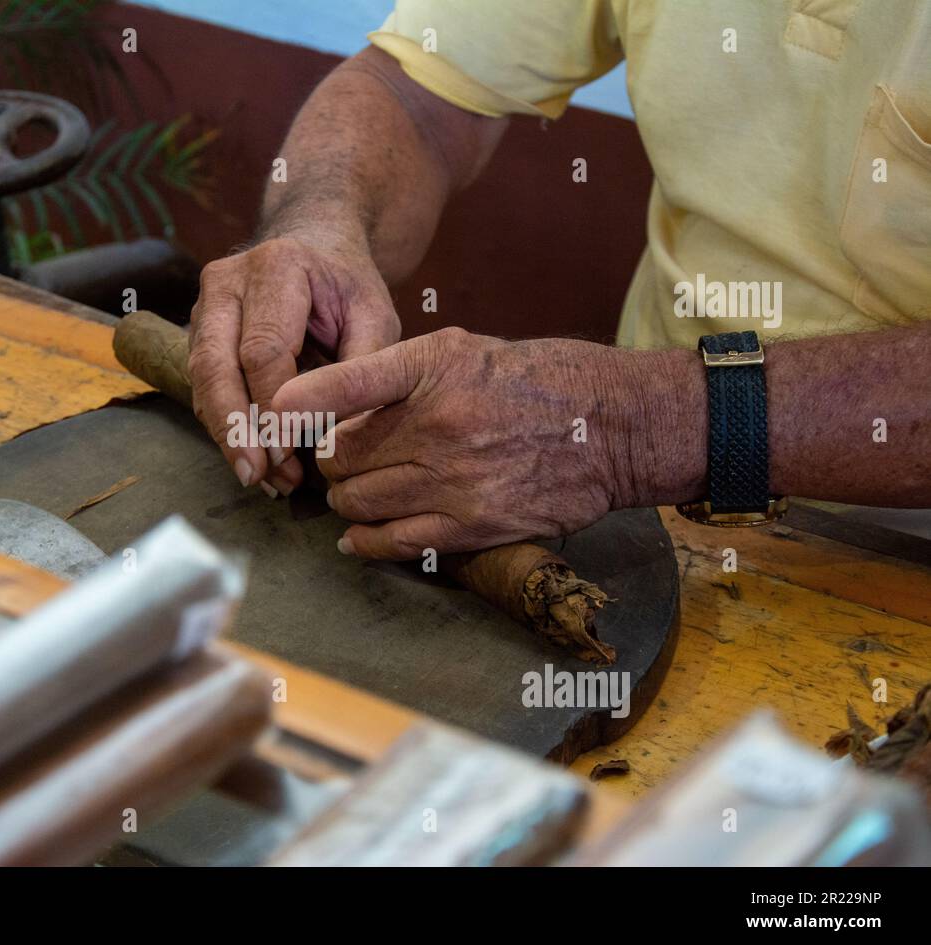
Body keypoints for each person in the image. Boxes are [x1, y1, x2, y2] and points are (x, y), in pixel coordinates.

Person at [187, 0, 931, 559]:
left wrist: (631, 428)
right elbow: (414, 95)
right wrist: (318, 222)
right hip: (641, 514)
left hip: (897, 549)